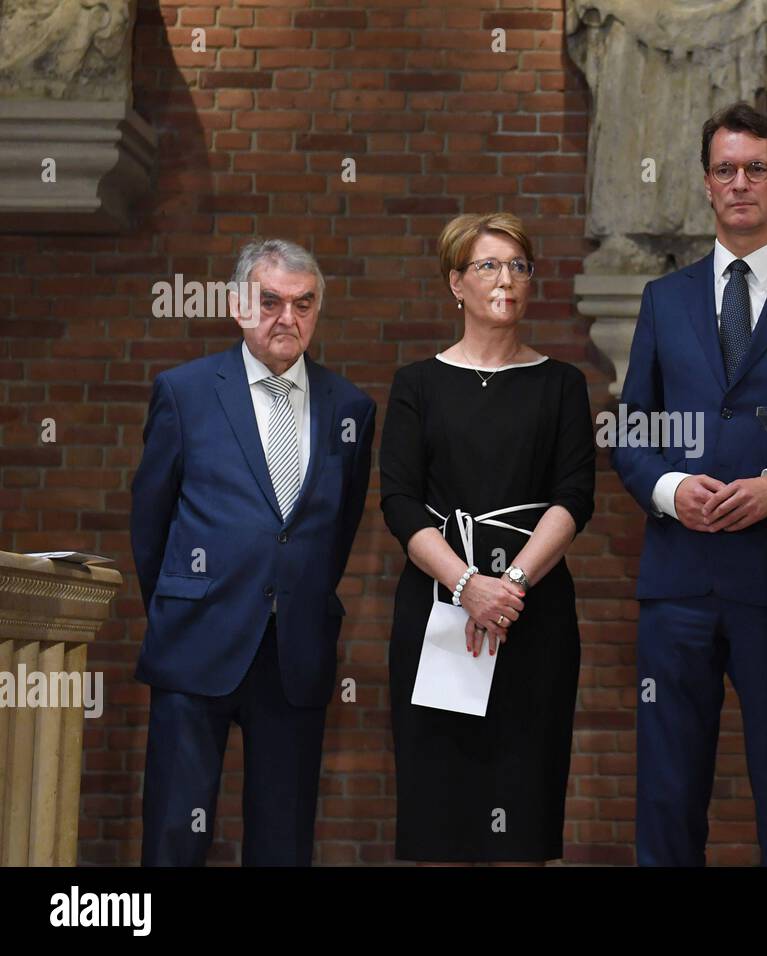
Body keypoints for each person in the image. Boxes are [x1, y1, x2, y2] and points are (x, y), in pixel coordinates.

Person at [612, 103, 767, 866]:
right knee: (669, 794)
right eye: (724, 170)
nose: (739, 182)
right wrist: (673, 489)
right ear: (707, 185)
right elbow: (632, 431)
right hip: (679, 580)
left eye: (755, 169)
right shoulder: (664, 300)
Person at [131, 239, 376, 866]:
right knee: (174, 836)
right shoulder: (184, 392)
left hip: (293, 650)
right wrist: (182, 599)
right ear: (240, 305)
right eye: (270, 301)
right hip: (196, 639)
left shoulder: (349, 408)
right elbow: (150, 521)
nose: (286, 319)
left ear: (318, 311)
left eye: (303, 304)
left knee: (283, 842)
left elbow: (336, 530)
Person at [380, 212, 595, 864]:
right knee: (441, 816)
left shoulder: (562, 384)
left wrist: (511, 587)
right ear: (456, 284)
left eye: (518, 266)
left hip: (534, 616)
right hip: (440, 613)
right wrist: (469, 586)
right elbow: (399, 503)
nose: (506, 279)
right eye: (489, 265)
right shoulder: (417, 384)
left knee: (522, 813)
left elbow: (574, 500)